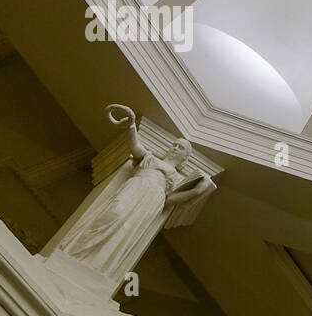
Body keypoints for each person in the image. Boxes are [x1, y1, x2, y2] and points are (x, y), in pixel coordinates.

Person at [58, 105, 215, 278]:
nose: (175, 148)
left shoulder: (177, 179)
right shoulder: (150, 159)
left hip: (152, 200)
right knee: (113, 214)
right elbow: (135, 146)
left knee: (125, 231)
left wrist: (197, 191)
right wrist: (131, 126)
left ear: (184, 158)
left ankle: (95, 267)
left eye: (180, 147)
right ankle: (75, 252)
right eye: (175, 144)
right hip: (136, 187)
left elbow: (169, 200)